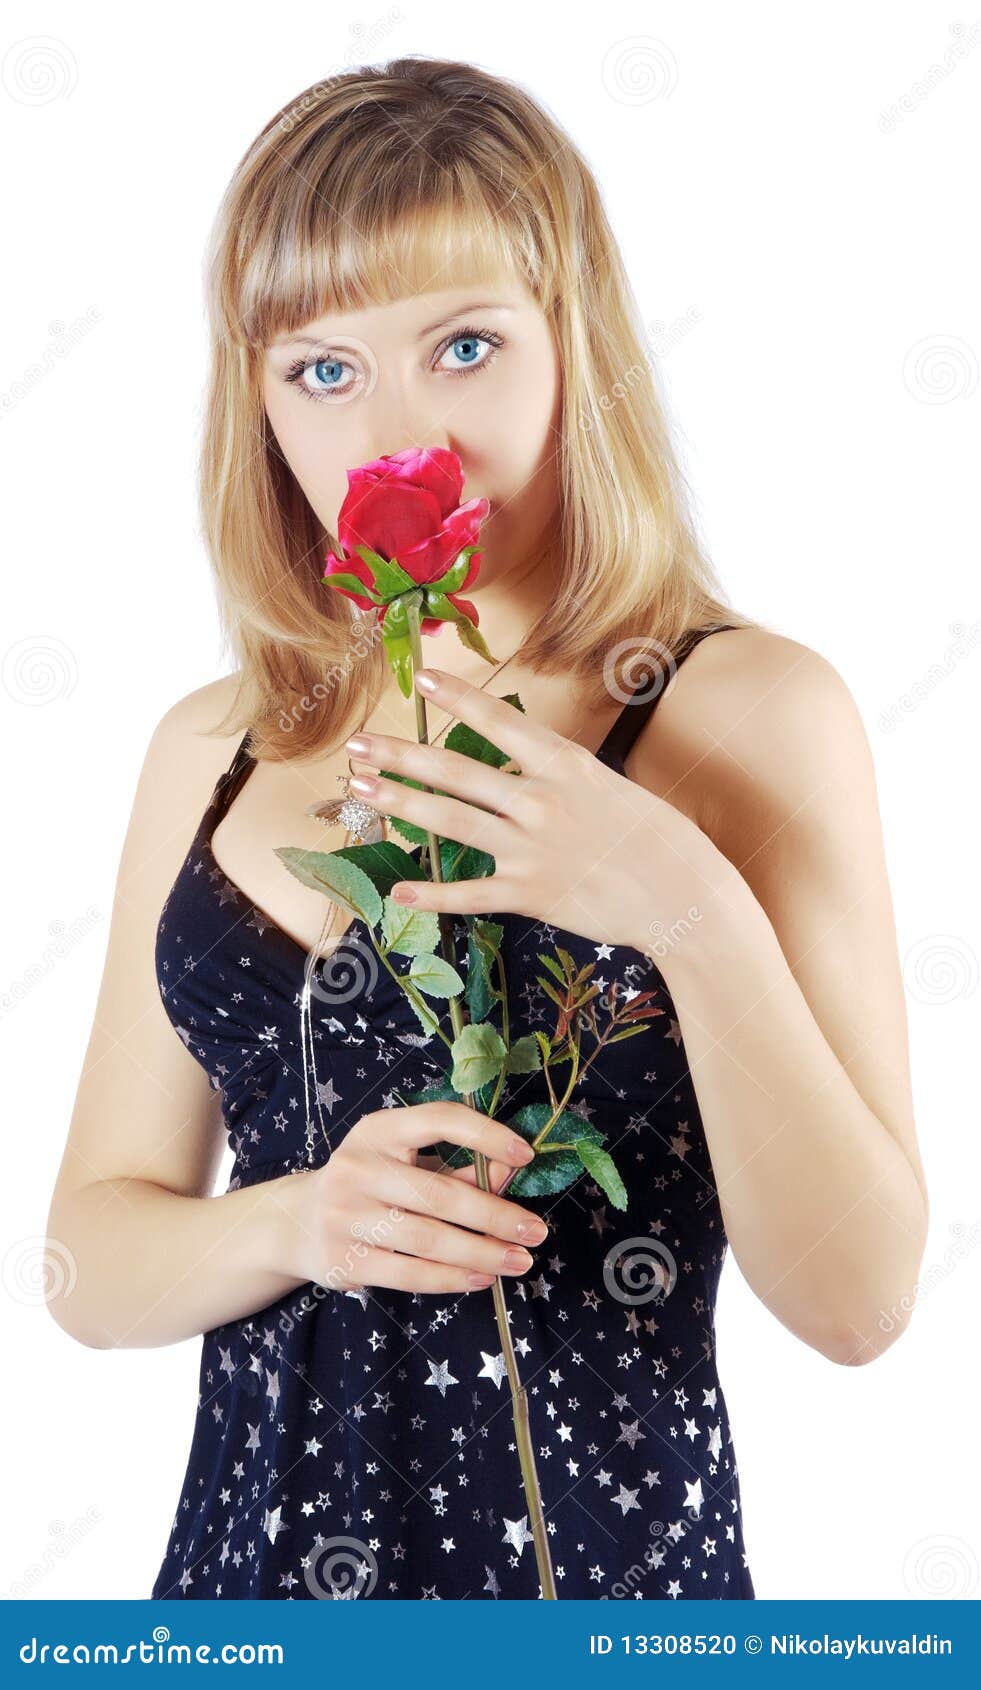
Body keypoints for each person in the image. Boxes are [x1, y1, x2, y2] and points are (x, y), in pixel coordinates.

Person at [45, 56, 927, 1601]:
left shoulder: (748, 711)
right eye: (321, 370)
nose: (400, 435)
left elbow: (859, 1305)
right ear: (253, 403)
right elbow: (90, 1262)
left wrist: (680, 900)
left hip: (603, 1596)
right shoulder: (211, 745)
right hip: (244, 1606)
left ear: (572, 345)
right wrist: (304, 1218)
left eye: (463, 346)